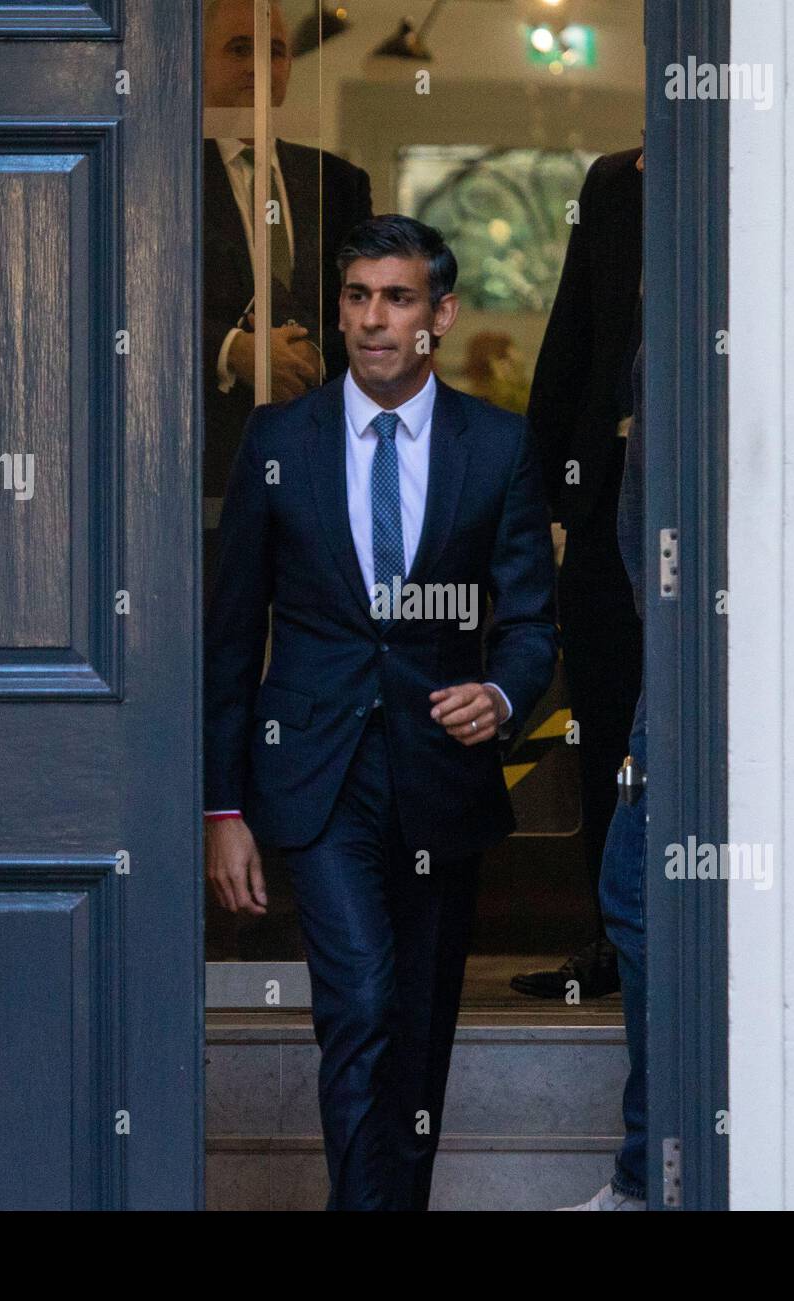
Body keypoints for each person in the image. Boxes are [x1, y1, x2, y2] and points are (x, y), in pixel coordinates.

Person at [203, 214, 558, 1211]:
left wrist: (497, 693)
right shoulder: (280, 440)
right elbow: (232, 639)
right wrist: (220, 808)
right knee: (358, 999)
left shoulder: (496, 445)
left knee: (417, 1026)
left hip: (441, 777)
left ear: (438, 314)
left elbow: (531, 621)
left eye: (397, 298)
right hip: (317, 778)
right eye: (358, 297)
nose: (372, 319)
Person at [513, 144, 646, 1001]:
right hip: (602, 494)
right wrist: (541, 499)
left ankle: (692, 927)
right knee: (599, 716)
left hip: (715, 497)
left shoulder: (759, 153)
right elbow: (573, 334)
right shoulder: (613, 181)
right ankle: (607, 939)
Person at [202, 0, 373, 526]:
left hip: (319, 477)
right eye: (238, 49)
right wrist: (235, 352)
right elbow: (125, 309)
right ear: (197, 61)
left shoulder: (339, 183)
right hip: (201, 477)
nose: (260, 67)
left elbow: (369, 310)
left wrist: (311, 360)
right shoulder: (159, 174)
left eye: (274, 52)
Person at [562, 334, 648, 1211]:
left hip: (700, 652)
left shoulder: (693, 281)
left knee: (640, 897)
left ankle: (650, 1178)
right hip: (676, 643)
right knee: (640, 897)